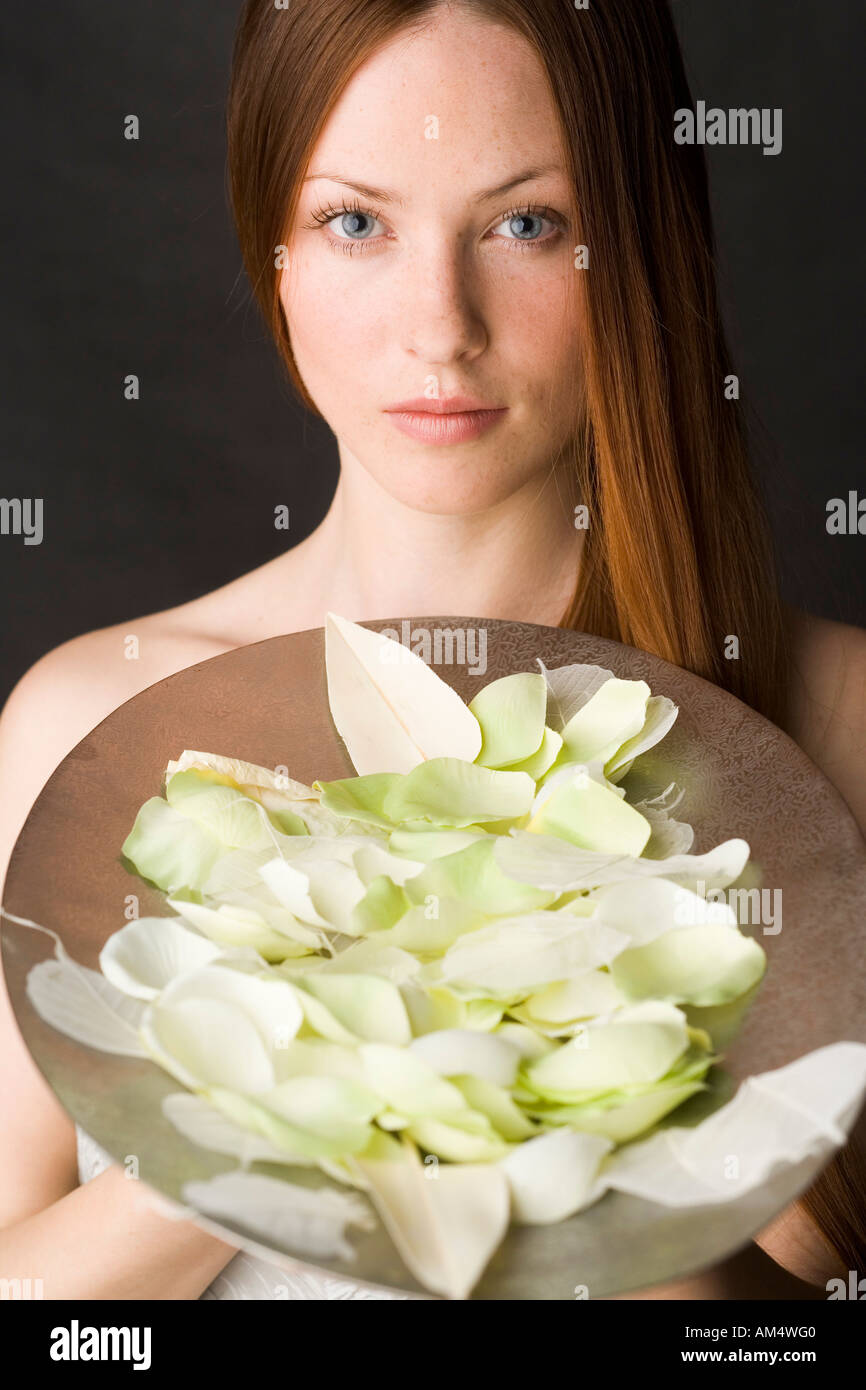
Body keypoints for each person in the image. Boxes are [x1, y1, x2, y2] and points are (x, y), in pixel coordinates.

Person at [1, 0, 864, 1300]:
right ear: (273, 245)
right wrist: (297, 1090)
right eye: (355, 220)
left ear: (632, 240)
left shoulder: (838, 714)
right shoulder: (85, 711)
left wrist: (557, 1112)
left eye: (526, 223)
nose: (439, 325)